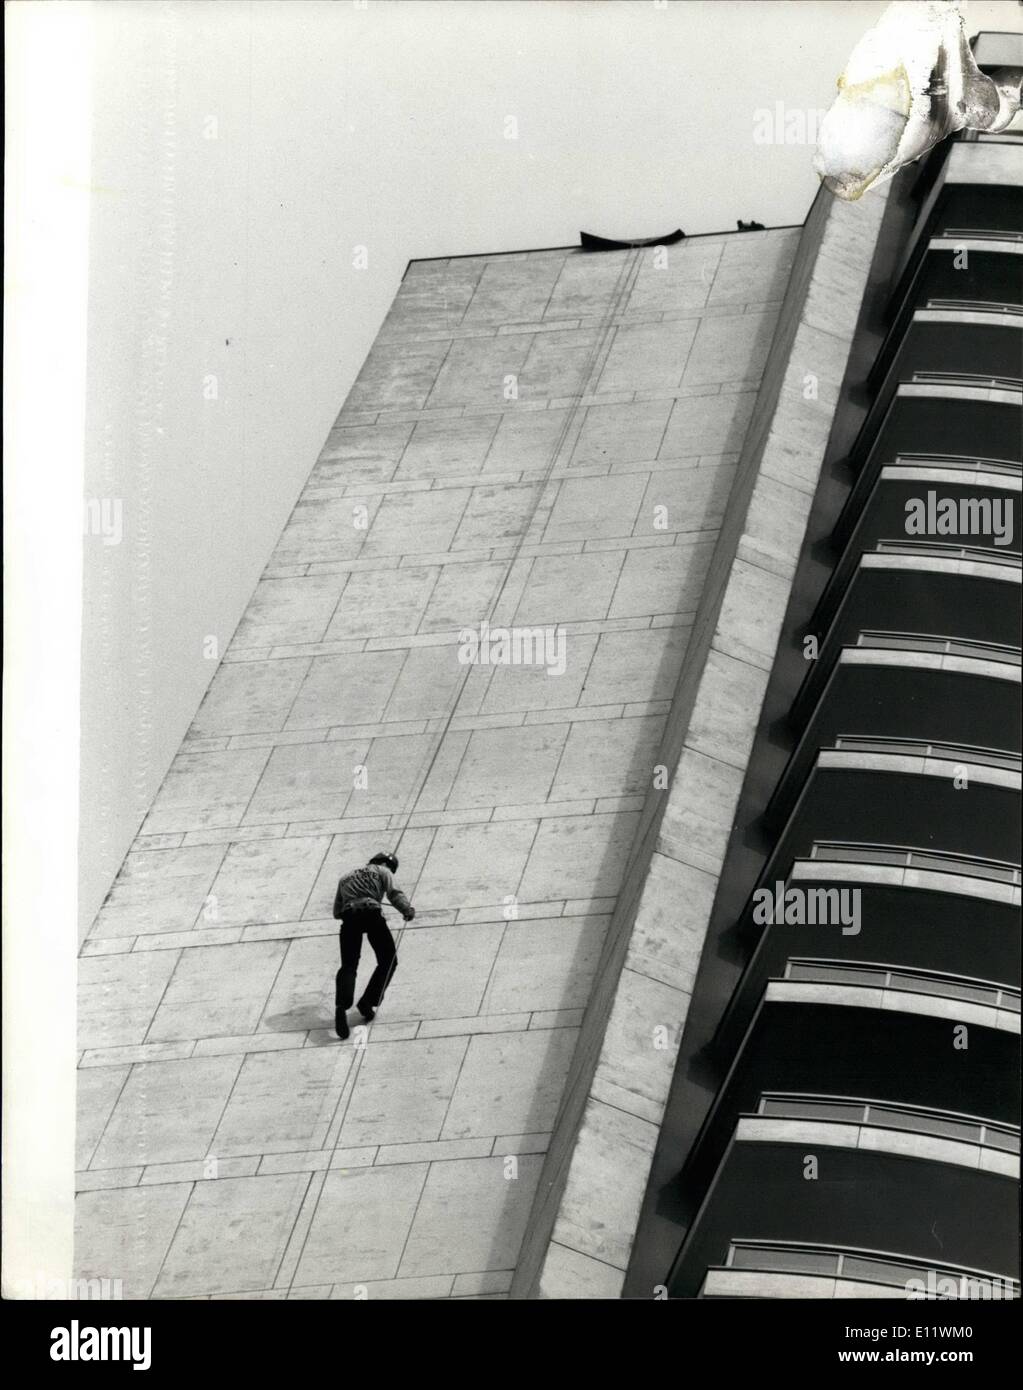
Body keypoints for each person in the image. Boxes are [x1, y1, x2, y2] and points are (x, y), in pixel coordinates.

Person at [332, 852, 415, 1040]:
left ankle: (341, 1006)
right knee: (388, 960)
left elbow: (337, 912)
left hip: (349, 917)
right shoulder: (382, 871)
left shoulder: (345, 877)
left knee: (349, 965)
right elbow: (394, 893)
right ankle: (368, 1001)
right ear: (387, 864)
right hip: (371, 913)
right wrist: (406, 910)